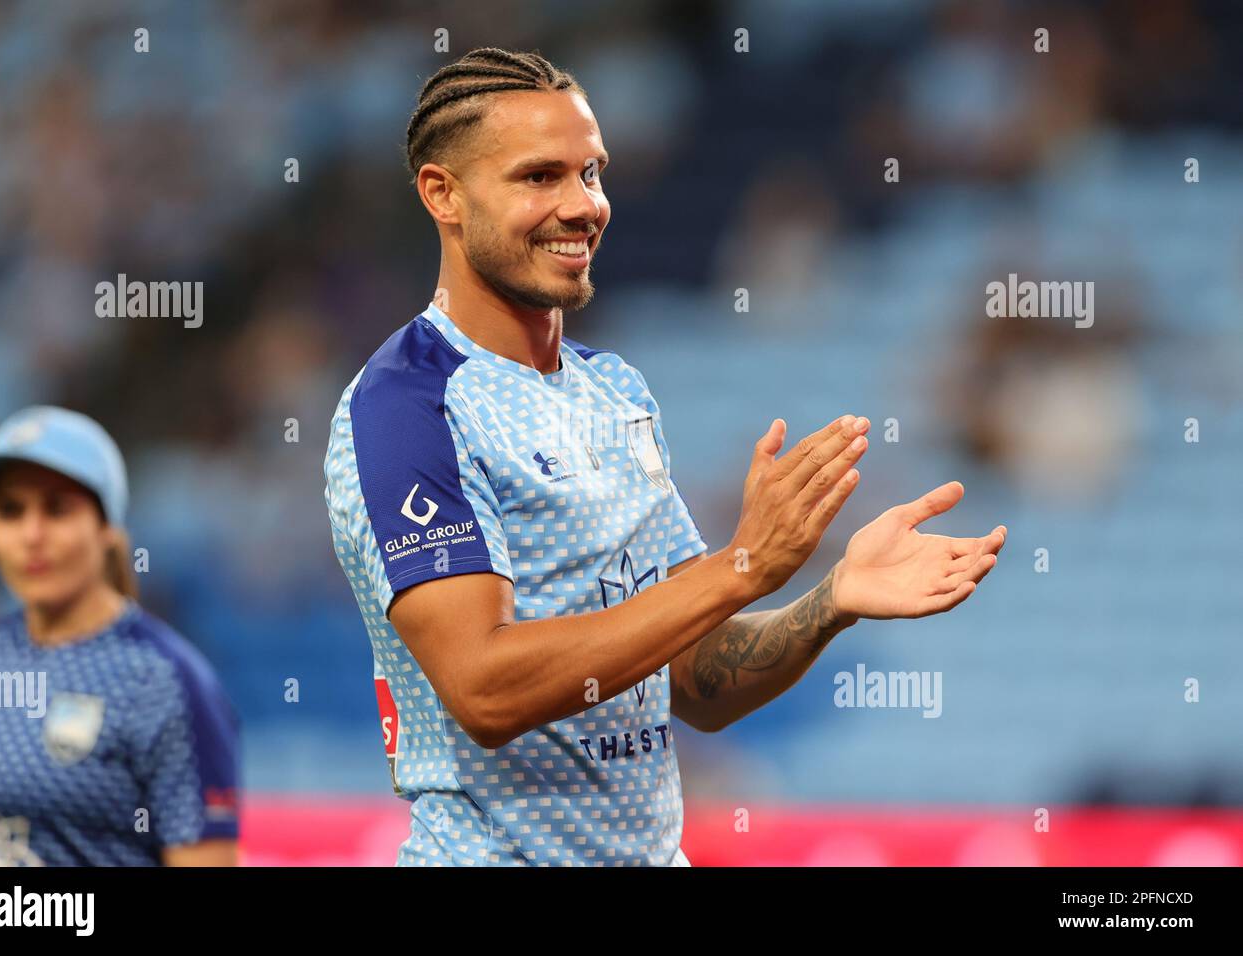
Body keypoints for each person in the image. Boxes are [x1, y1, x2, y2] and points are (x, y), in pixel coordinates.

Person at [324, 47, 1007, 866]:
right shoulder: (409, 405)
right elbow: (482, 688)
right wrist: (745, 568)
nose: (583, 206)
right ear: (443, 194)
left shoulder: (614, 391)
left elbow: (695, 681)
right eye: (540, 177)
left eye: (592, 173)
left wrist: (832, 601)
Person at [0, 405, 240, 866]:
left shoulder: (165, 680)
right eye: (10, 510)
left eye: (57, 509)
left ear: (107, 529)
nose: (32, 535)